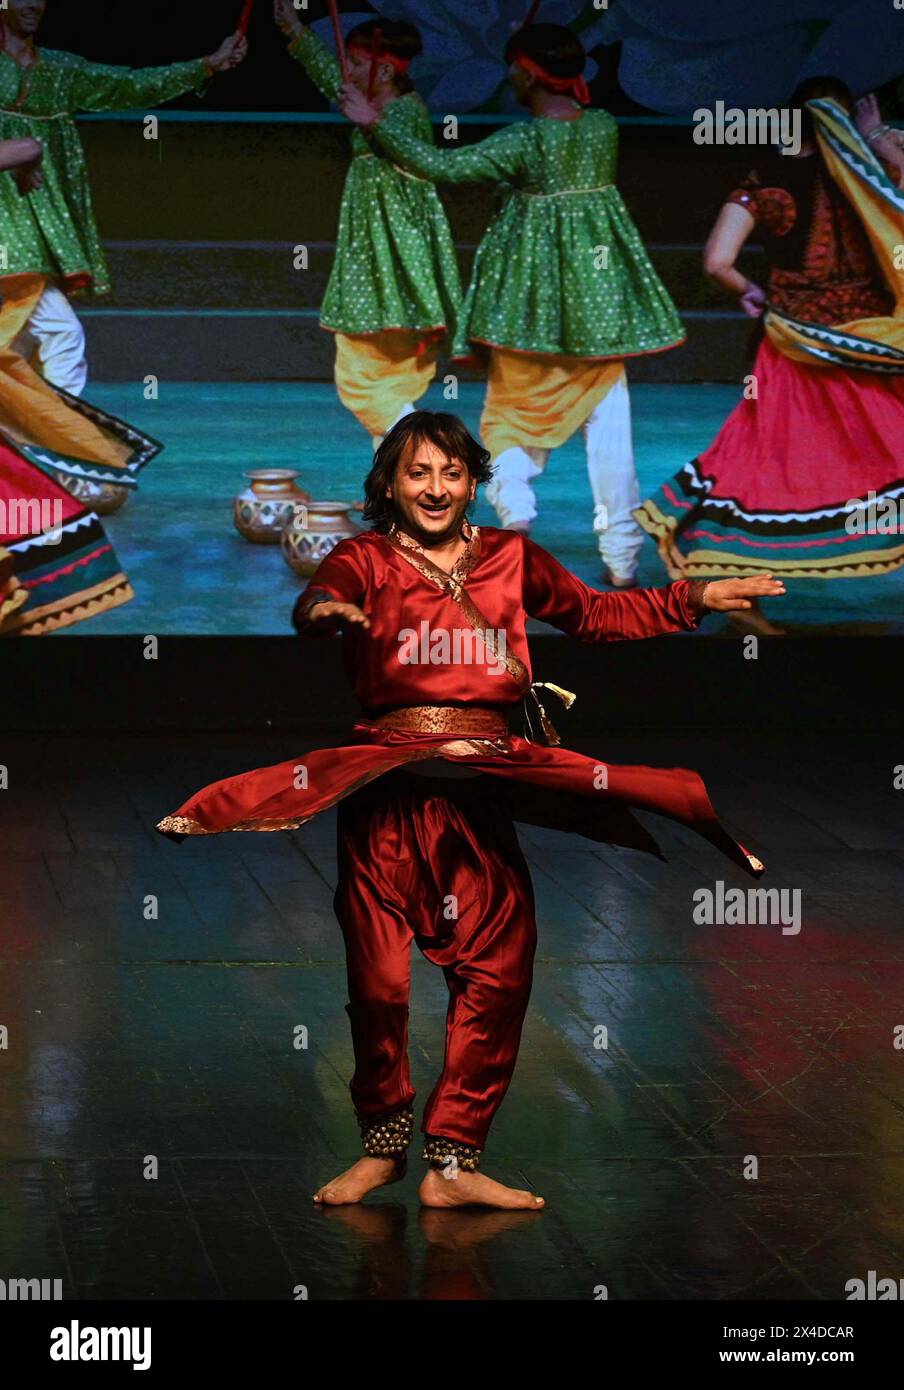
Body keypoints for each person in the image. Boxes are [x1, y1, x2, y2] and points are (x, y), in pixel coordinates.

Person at [157, 409, 783, 1210]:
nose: (436, 488)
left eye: (452, 473)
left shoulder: (512, 556)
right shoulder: (364, 557)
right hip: (386, 796)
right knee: (380, 983)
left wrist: (695, 597)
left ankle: (454, 1163)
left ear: (474, 482)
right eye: (418, 472)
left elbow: (595, 615)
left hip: (480, 789)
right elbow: (320, 599)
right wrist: (328, 615)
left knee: (499, 972)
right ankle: (382, 1152)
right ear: (389, 482)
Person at [340, 22, 684, 585]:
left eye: (513, 68)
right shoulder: (603, 128)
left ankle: (516, 515)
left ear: (526, 73)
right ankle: (622, 557)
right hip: (599, 313)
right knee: (610, 430)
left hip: (535, 315)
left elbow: (442, 168)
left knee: (510, 422)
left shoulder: (523, 143)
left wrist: (375, 122)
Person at [634, 79, 904, 636]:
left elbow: (717, 261)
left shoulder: (763, 182)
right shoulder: (871, 178)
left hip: (790, 345)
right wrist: (880, 140)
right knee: (887, 452)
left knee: (765, 463)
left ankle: (737, 597)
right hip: (870, 344)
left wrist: (747, 291)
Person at [0, 0, 247, 397]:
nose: (33, 4)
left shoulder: (60, 70)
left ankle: (26, 442)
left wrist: (206, 65)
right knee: (59, 333)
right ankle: (69, 442)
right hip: (8, 222)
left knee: (20, 340)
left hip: (45, 219)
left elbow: (130, 84)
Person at [274, 0, 460, 450]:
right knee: (382, 374)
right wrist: (295, 31)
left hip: (390, 256)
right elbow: (333, 82)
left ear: (385, 72)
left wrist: (372, 122)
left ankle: (419, 454)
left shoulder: (402, 113)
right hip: (375, 254)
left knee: (362, 373)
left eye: (356, 63)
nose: (347, 72)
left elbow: (415, 164)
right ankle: (396, 484)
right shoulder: (377, 104)